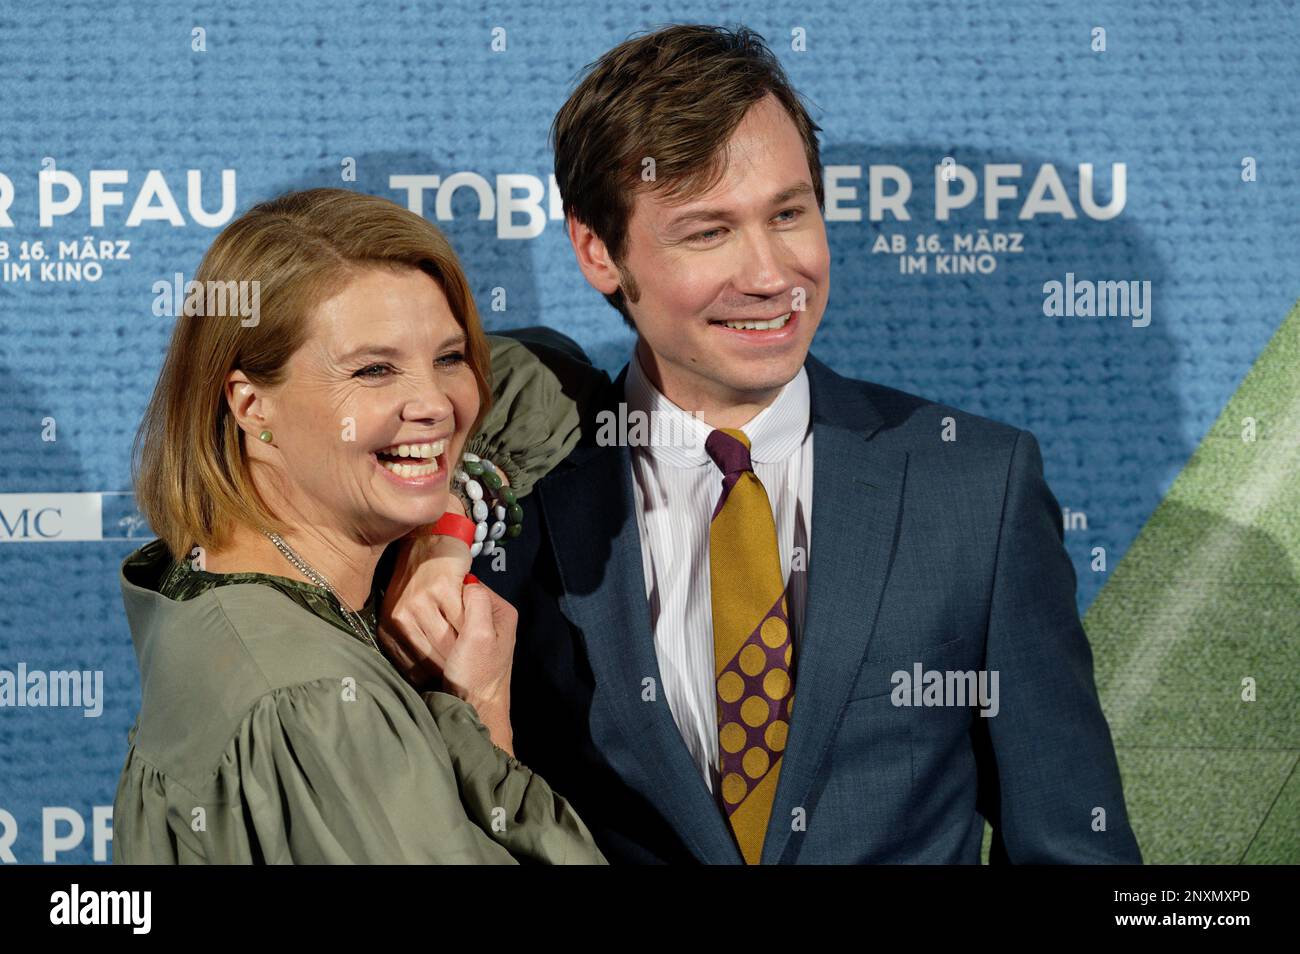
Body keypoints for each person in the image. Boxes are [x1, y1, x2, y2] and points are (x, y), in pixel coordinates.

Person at [382, 24, 1143, 864]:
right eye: (707, 232)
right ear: (598, 252)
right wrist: (445, 535)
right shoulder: (525, 494)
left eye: (789, 214)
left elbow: (1075, 848)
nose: (770, 273)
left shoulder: (976, 486)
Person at [113, 187, 607, 864]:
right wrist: (479, 705)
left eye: (449, 357)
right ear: (253, 406)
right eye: (374, 369)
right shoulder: (317, 707)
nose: (434, 404)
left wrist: (450, 518)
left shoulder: (217, 582)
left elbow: (550, 371)